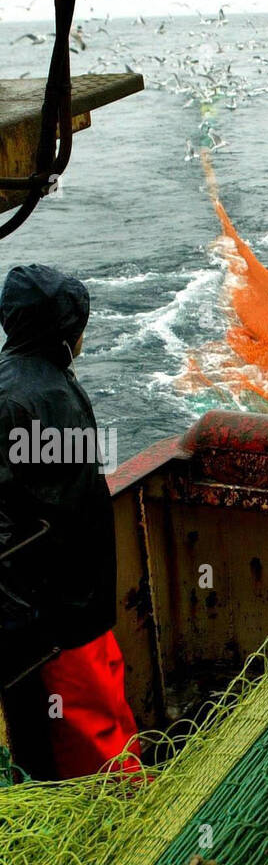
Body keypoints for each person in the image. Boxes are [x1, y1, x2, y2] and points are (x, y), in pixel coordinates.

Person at [0, 263, 140, 780]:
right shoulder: (36, 396)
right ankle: (127, 832)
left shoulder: (37, 381)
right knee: (93, 736)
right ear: (63, 332)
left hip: (75, 604)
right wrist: (22, 616)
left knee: (107, 716)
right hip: (60, 612)